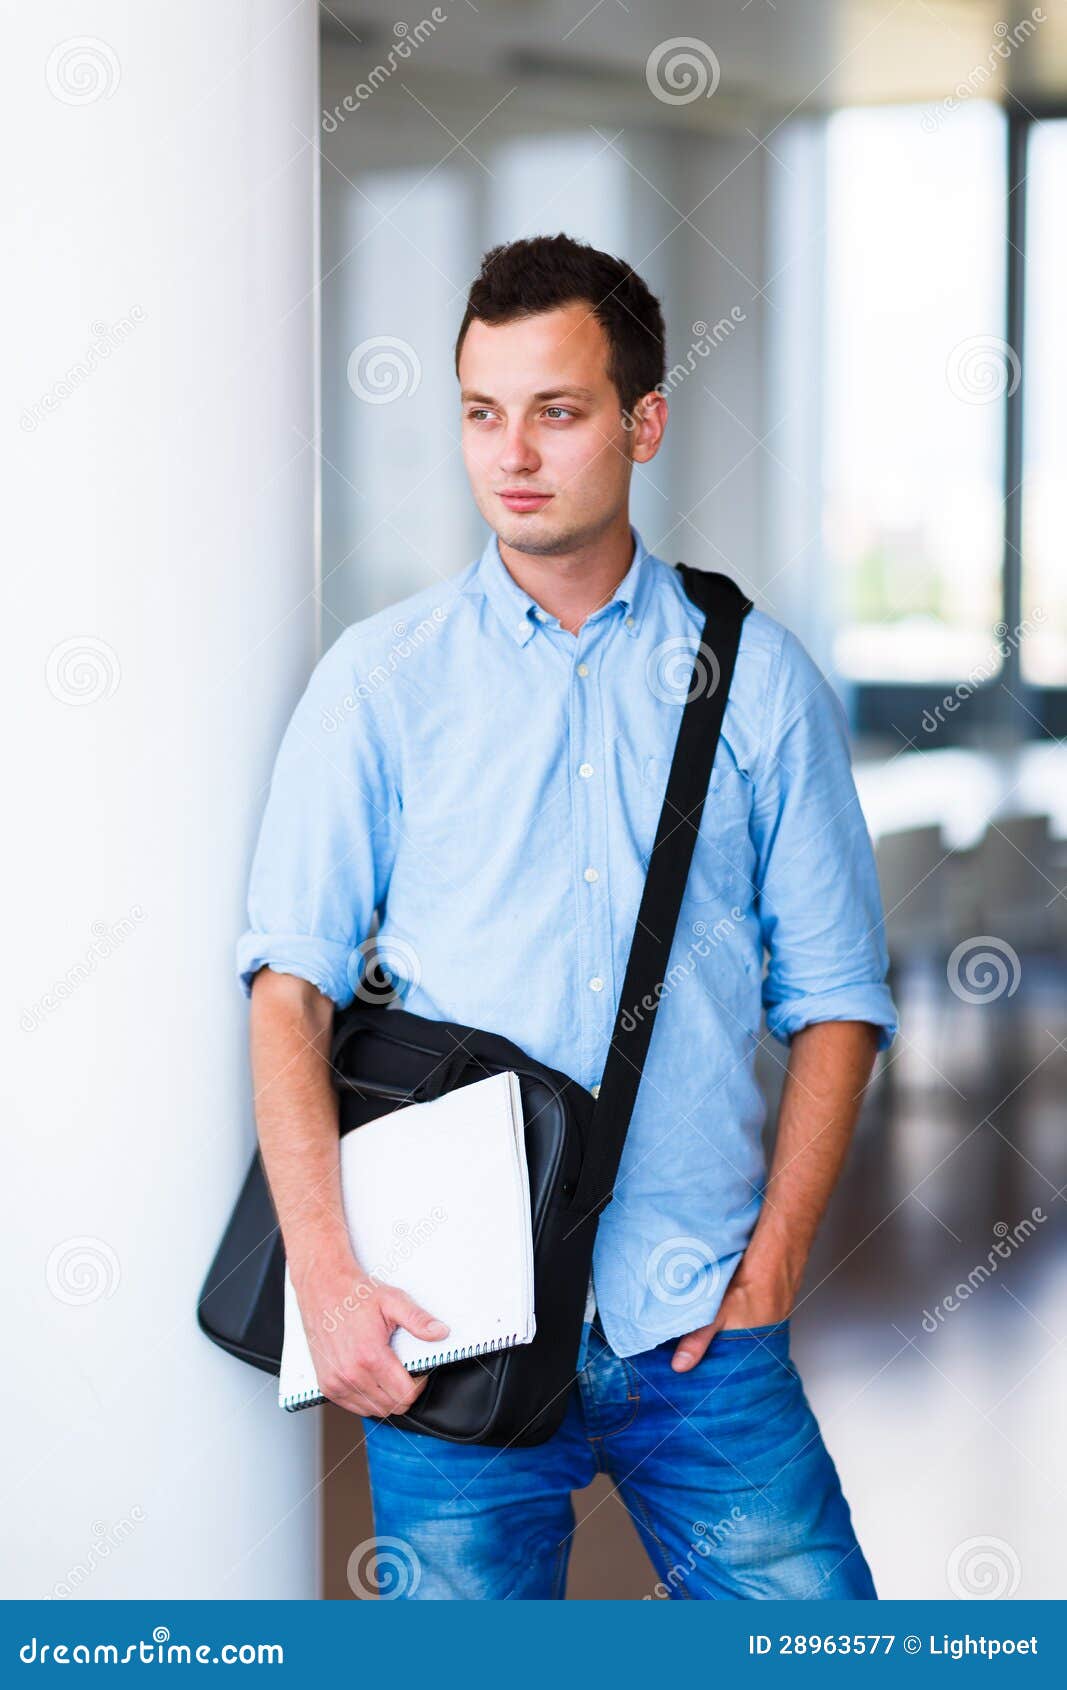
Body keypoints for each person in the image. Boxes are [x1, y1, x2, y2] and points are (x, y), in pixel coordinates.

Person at [237, 233, 898, 1600]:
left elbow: (839, 997)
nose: (513, 453)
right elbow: (287, 990)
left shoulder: (759, 683)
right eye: (484, 412)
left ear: (643, 422)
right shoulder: (381, 684)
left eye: (558, 409)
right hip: (447, 1330)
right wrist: (328, 1275)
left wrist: (772, 1264)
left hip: (700, 1330)